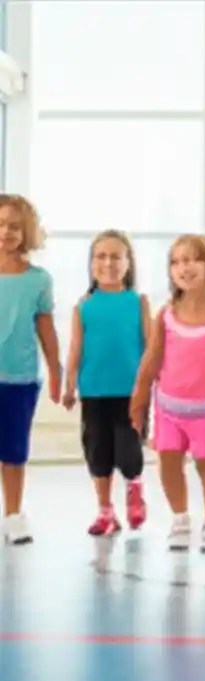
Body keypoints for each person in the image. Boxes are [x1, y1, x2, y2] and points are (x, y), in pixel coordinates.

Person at [129, 234, 205, 553]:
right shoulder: (166, 314)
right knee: (168, 463)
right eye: (177, 261)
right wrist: (139, 400)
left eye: (192, 259)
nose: (184, 267)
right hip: (168, 409)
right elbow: (151, 360)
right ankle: (180, 518)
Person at [62, 229, 151, 536]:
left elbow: (151, 346)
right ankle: (105, 512)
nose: (108, 262)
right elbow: (75, 348)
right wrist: (69, 384)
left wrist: (156, 384)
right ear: (91, 263)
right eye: (101, 256)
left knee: (129, 451)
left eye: (116, 256)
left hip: (131, 391)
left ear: (129, 262)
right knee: (98, 453)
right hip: (94, 391)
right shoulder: (83, 306)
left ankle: (135, 490)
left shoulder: (138, 302)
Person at [0, 194, 60, 545]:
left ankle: (13, 515)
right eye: (0, 224)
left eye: (14, 225)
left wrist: (56, 370)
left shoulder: (38, 280)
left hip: (19, 378)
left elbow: (46, 329)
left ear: (27, 232)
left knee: (13, 450)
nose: (5, 231)